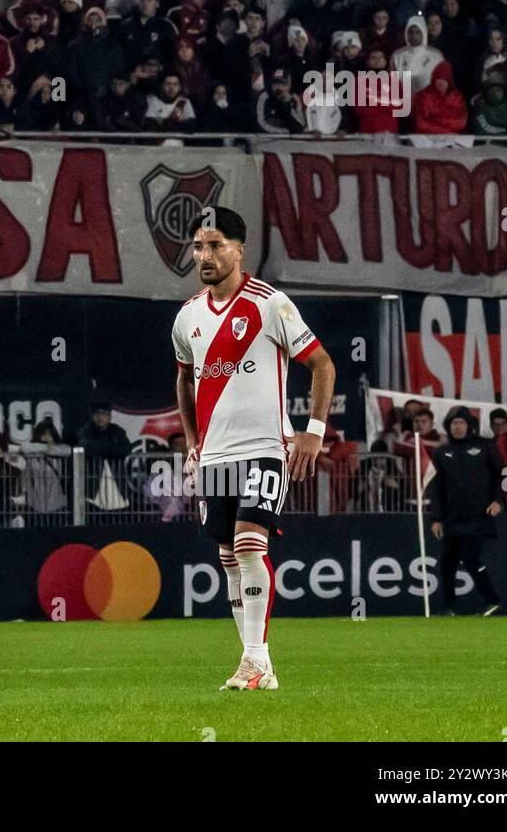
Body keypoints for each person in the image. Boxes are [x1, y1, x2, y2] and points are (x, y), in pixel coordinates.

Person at [171, 206, 336, 690]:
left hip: (265, 445)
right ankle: (252, 662)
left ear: (239, 250)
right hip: (216, 455)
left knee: (248, 541)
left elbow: (322, 364)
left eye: (215, 244)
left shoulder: (270, 304)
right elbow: (184, 379)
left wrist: (314, 431)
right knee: (227, 555)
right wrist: (193, 442)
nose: (204, 254)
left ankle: (258, 661)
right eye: (199, 246)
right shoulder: (187, 317)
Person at [428, 406, 505, 617]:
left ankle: (493, 601)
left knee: (471, 558)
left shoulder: (486, 446)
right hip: (452, 519)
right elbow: (436, 488)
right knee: (447, 563)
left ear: (469, 425)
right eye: (454, 423)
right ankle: (449, 608)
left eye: (462, 422)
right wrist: (436, 518)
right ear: (448, 426)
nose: (458, 426)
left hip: (480, 516)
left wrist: (499, 500)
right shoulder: (441, 452)